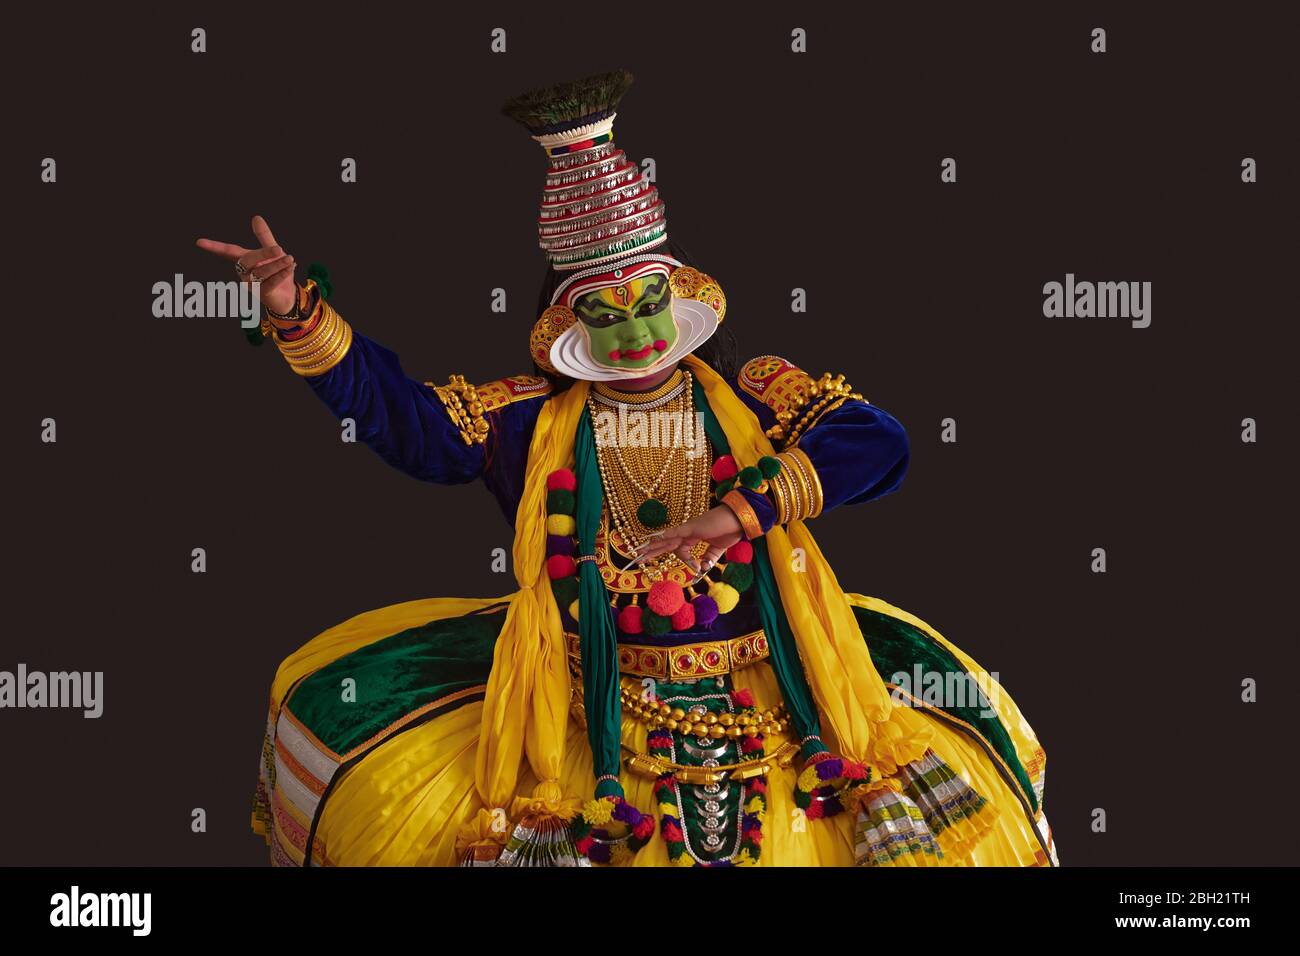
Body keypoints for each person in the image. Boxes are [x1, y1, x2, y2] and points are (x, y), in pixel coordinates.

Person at [199, 70, 1056, 867]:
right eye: (605, 313)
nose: (637, 335)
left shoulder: (757, 395)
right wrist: (296, 313)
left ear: (679, 295)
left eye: (649, 303)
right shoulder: (527, 418)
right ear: (565, 321)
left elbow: (881, 444)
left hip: (782, 683)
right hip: (573, 698)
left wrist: (741, 514)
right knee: (352, 748)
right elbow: (407, 426)